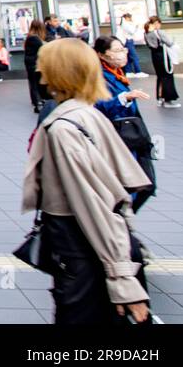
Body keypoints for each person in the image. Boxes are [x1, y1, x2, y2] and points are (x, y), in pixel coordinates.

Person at [24, 39, 151, 325]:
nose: (40, 74)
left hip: (82, 250)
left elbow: (93, 205)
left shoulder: (64, 127)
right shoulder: (87, 114)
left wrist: (122, 279)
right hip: (99, 249)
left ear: (61, 73)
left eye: (45, 67)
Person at [93, 35, 156, 211]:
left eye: (124, 49)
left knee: (144, 185)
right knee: (133, 187)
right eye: (117, 50)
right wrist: (123, 98)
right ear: (102, 55)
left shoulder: (118, 74)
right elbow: (98, 107)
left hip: (130, 138)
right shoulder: (99, 77)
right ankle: (120, 222)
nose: (123, 54)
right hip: (118, 139)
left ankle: (123, 220)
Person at [143, 17, 181, 107]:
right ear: (155, 23)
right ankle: (168, 99)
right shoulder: (159, 32)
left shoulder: (146, 33)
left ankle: (161, 98)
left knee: (160, 76)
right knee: (167, 76)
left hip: (155, 56)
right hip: (163, 55)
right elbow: (169, 43)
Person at [24, 18, 48, 112]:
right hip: (34, 63)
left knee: (33, 82)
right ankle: (38, 103)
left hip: (30, 62)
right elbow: (43, 46)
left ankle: (37, 101)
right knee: (35, 83)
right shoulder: (34, 37)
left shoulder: (30, 36)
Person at [117, 12, 146, 77]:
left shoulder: (122, 23)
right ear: (127, 18)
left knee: (128, 57)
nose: (131, 19)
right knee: (134, 56)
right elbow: (132, 31)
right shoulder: (125, 24)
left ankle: (128, 71)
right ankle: (138, 71)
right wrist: (136, 26)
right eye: (130, 18)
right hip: (128, 40)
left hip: (125, 41)